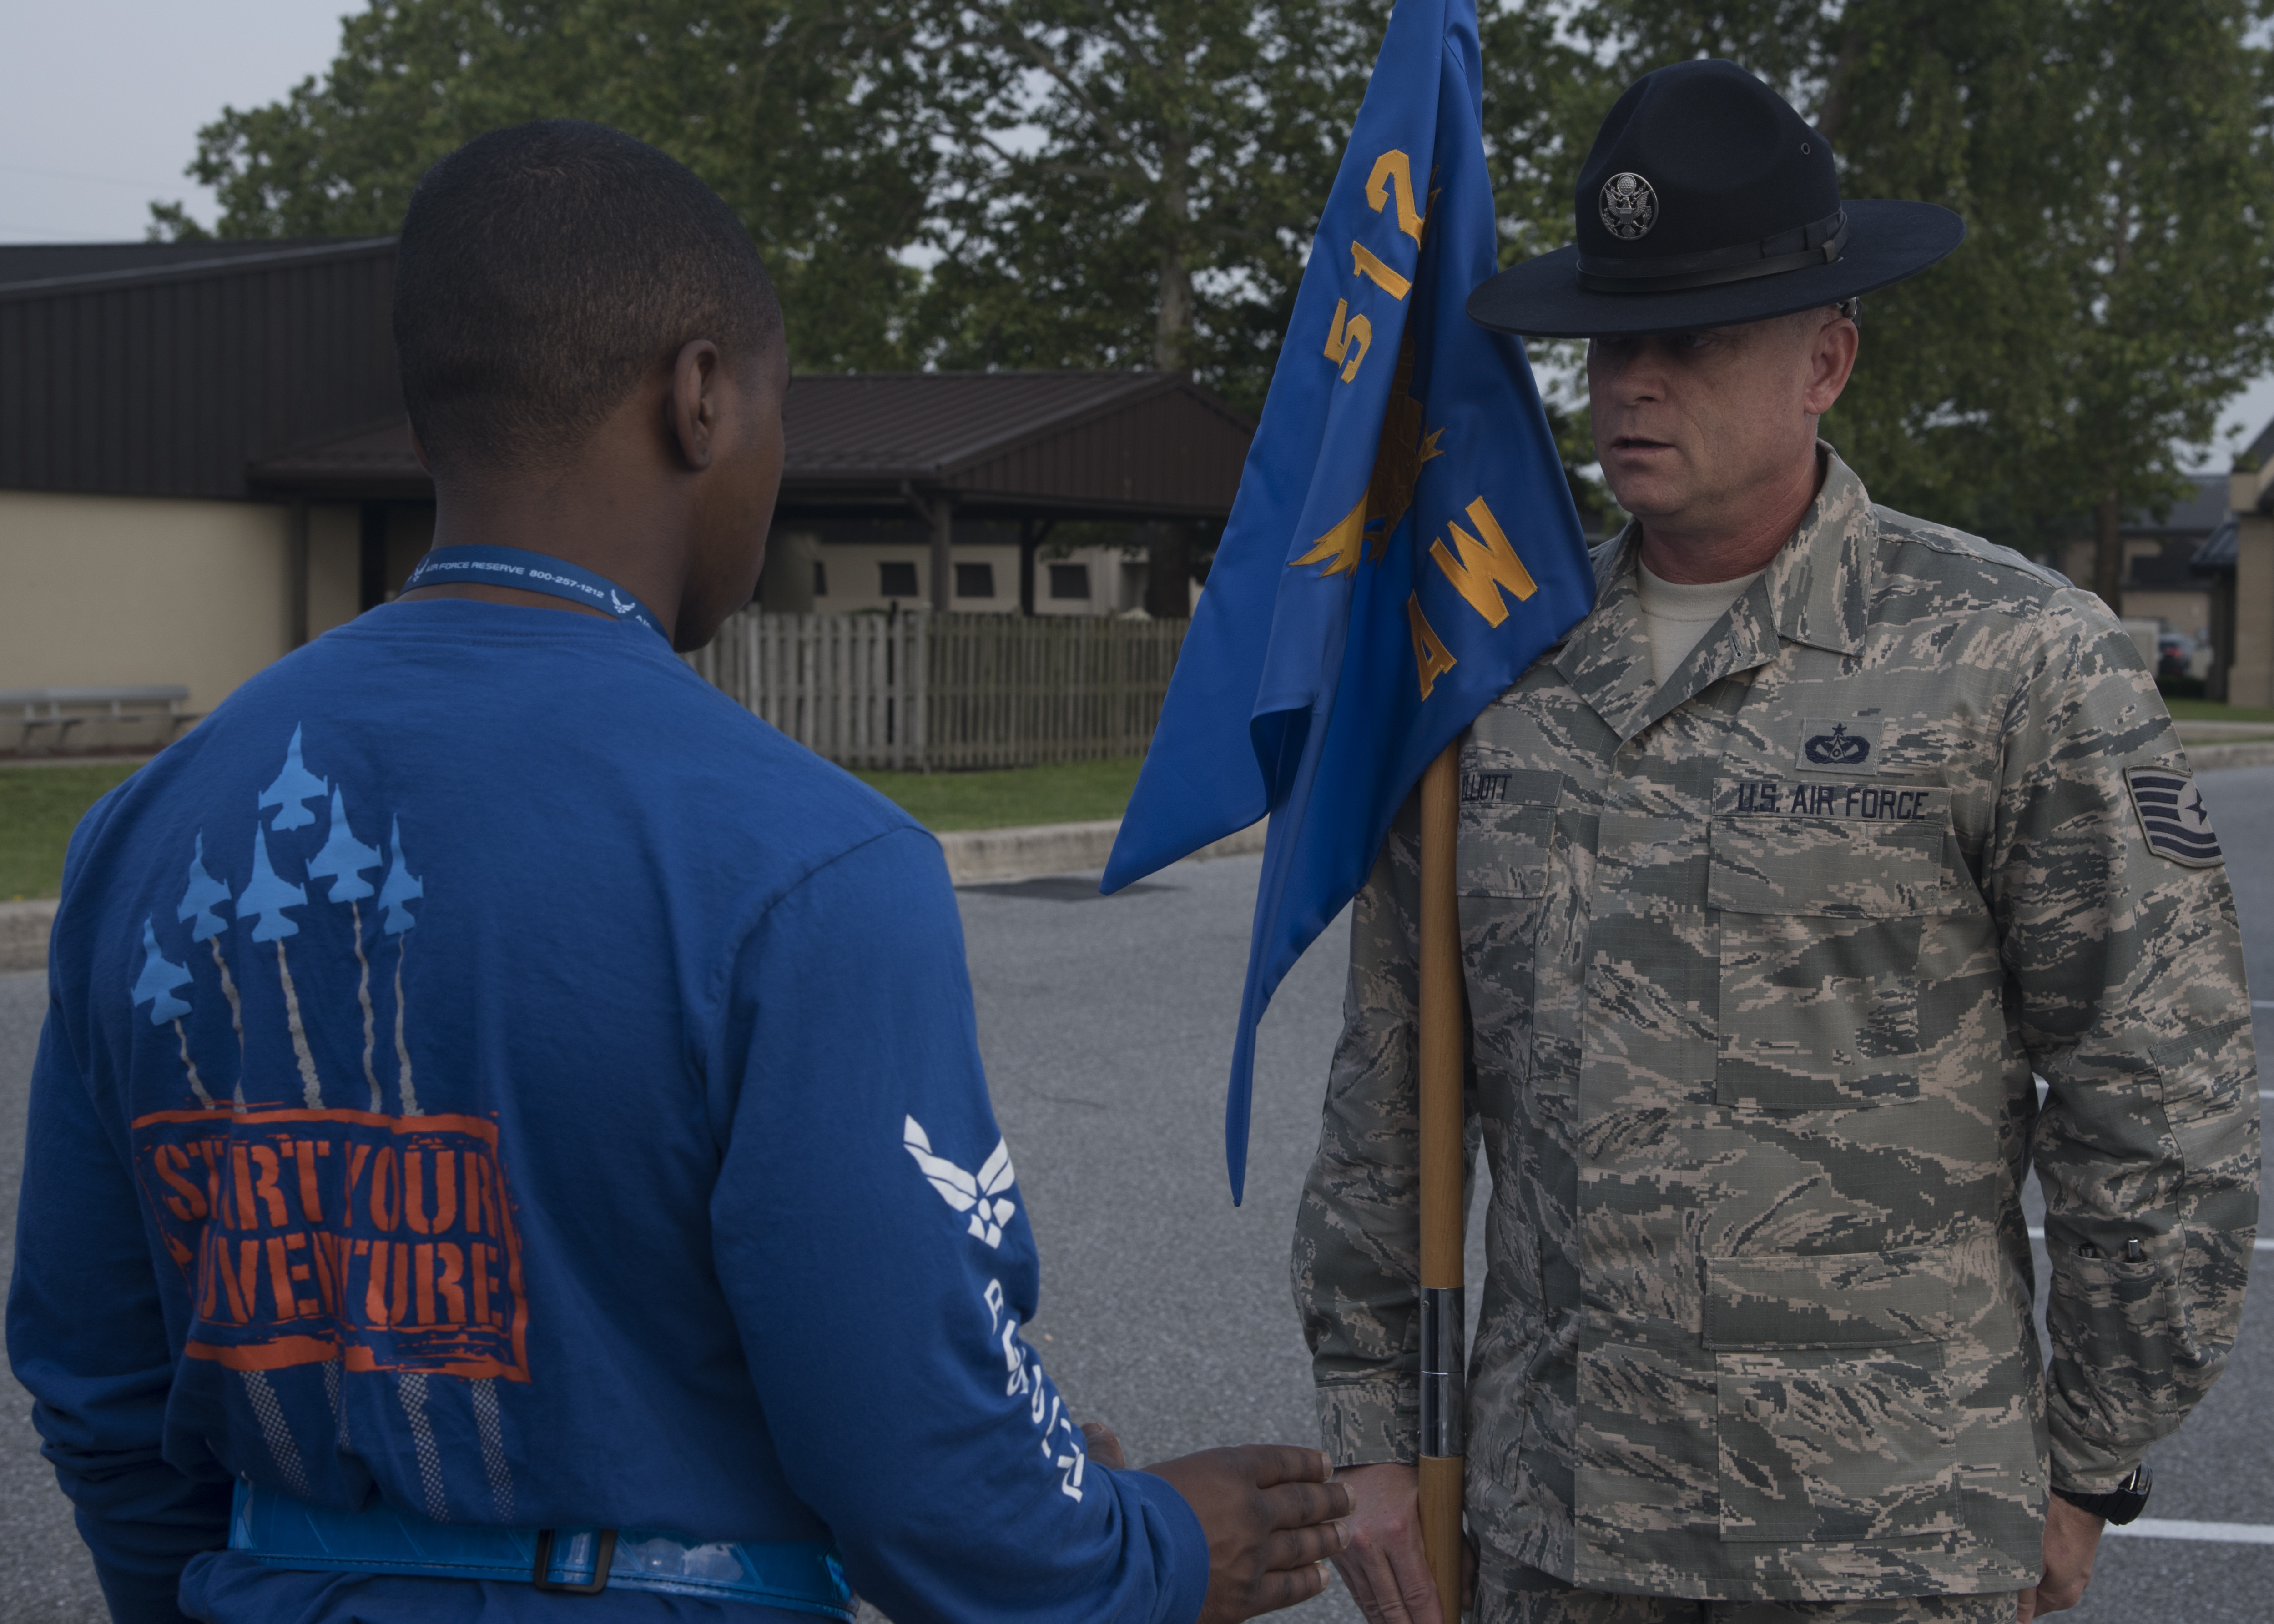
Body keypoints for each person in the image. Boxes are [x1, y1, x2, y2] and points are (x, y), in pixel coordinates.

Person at [7, 120, 1351, 1624]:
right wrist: (1152, 1541)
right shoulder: (813, 863)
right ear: (700, 396)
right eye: (777, 408)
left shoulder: (143, 830)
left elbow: (99, 1380)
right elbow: (933, 1477)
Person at [1293, 59, 2259, 1624]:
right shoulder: (1491, 672)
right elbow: (1393, 1081)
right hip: (1556, 1531)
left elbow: (2161, 1093)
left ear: (1828, 359)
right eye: (1610, 339)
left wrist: (2088, 1464)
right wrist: (1376, 1431)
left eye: (1692, 338)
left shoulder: (2017, 662)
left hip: (1891, 1539)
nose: (1631, 382)